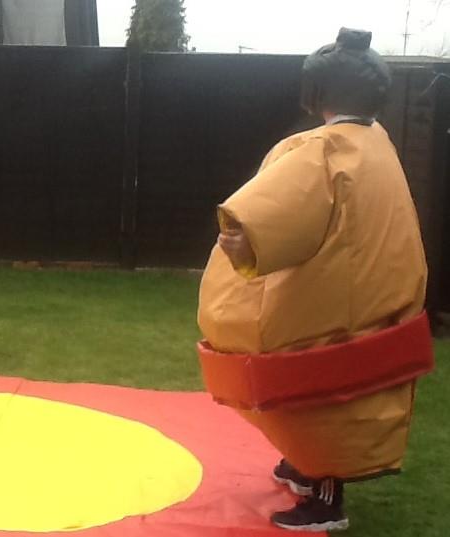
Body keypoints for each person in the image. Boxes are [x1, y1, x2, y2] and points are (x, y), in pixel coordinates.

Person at [197, 28, 434, 532]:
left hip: (337, 303)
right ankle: (304, 464)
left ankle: (326, 498)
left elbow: (282, 210)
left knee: (321, 387)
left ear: (316, 94)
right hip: (367, 292)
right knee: (319, 390)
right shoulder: (376, 144)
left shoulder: (326, 150)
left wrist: (246, 239)